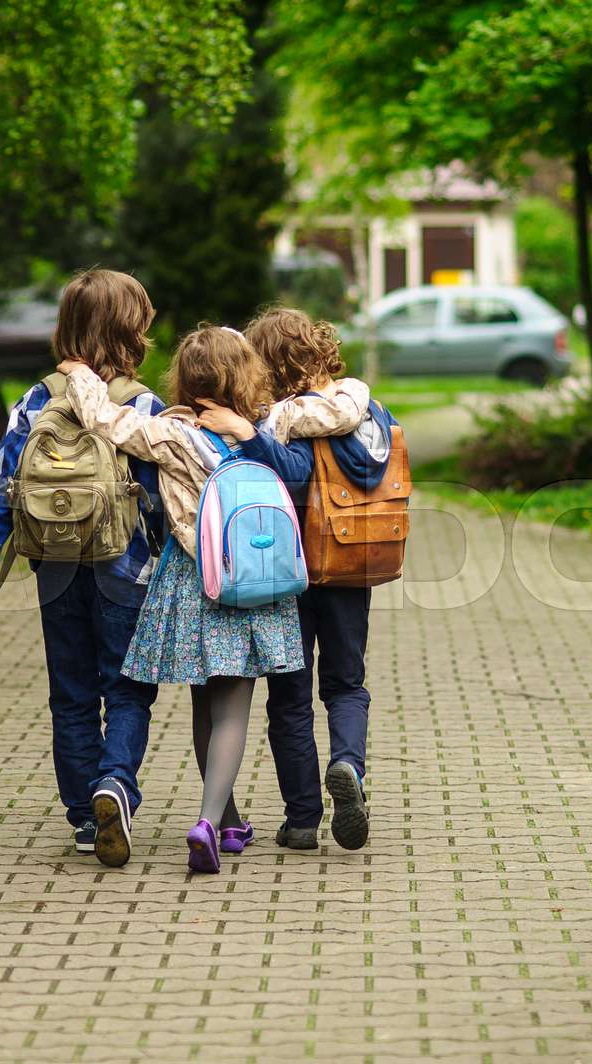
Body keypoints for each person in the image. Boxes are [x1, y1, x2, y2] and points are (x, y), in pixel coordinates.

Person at [54, 325, 371, 872]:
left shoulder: (171, 434)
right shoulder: (272, 421)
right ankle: (209, 820)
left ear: (184, 378)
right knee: (231, 709)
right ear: (249, 373)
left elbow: (105, 420)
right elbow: (340, 412)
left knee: (205, 700)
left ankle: (225, 821)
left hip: (194, 581)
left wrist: (80, 374)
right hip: (256, 581)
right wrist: (354, 387)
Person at [0, 269, 165, 867]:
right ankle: (115, 786)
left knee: (70, 694)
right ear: (131, 331)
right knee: (127, 691)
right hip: (123, 569)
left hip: (53, 564)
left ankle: (83, 816)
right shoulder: (138, 405)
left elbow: (0, 486)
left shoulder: (36, 399)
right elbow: (157, 496)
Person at [198, 307, 400, 852]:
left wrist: (248, 435)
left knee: (289, 697)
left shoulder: (286, 419)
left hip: (289, 572)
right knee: (346, 683)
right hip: (353, 562)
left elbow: (291, 476)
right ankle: (348, 764)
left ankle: (304, 819)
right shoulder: (367, 411)